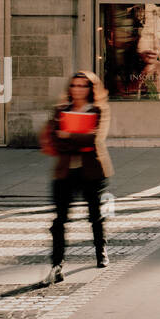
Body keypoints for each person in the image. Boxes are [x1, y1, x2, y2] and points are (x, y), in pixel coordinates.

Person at [43, 70, 112, 285]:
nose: (78, 89)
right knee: (60, 219)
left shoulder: (98, 110)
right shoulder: (61, 110)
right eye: (75, 85)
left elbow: (93, 138)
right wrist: (76, 138)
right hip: (65, 172)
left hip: (92, 172)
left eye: (83, 85)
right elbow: (57, 138)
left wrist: (69, 135)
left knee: (95, 215)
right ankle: (57, 263)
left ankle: (101, 250)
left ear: (91, 89)